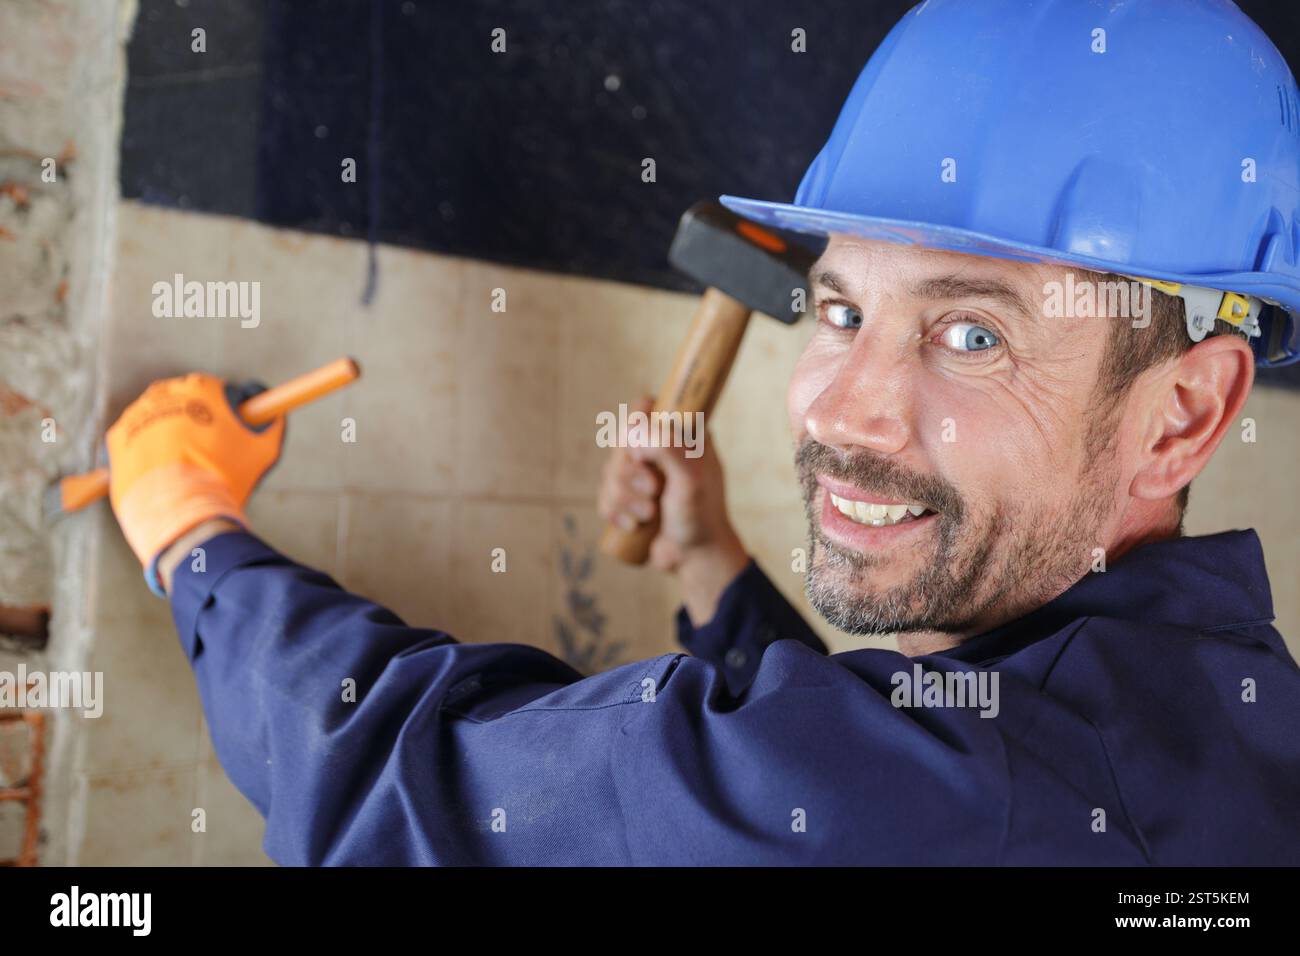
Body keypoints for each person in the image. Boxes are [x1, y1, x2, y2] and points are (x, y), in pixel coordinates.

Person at [106, 0, 1300, 864]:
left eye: (971, 336)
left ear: (1181, 412)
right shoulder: (1216, 716)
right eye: (840, 308)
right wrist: (709, 560)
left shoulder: (977, 797)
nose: (837, 407)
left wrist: (190, 531)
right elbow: (860, 756)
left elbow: (418, 791)